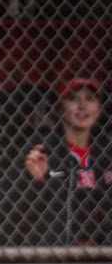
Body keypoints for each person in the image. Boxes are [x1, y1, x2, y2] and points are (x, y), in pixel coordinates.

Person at [23, 76, 110, 245]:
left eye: (90, 99)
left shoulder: (107, 153)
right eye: (73, 98)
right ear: (59, 108)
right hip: (52, 253)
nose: (82, 106)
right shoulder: (42, 149)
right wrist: (39, 180)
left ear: (99, 109)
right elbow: (21, 208)